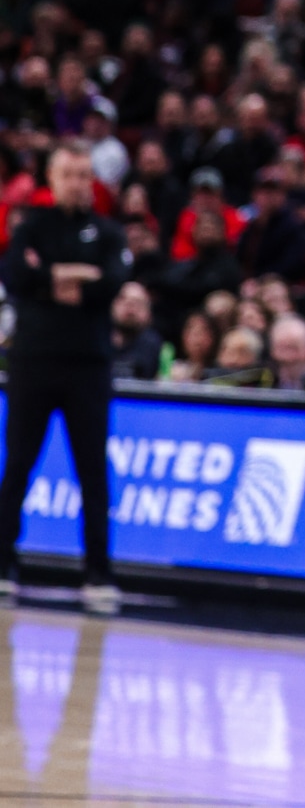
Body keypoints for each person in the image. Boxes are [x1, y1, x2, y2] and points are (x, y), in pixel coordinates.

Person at [0, 141, 133, 613]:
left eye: (84, 175)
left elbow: (112, 283)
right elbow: (15, 275)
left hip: (88, 367)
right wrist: (74, 276)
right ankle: (4, 564)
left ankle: (98, 572)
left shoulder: (109, 231)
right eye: (69, 174)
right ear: (52, 179)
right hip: (34, 363)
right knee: (17, 467)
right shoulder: (32, 226)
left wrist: (52, 277)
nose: (78, 183)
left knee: (93, 472)